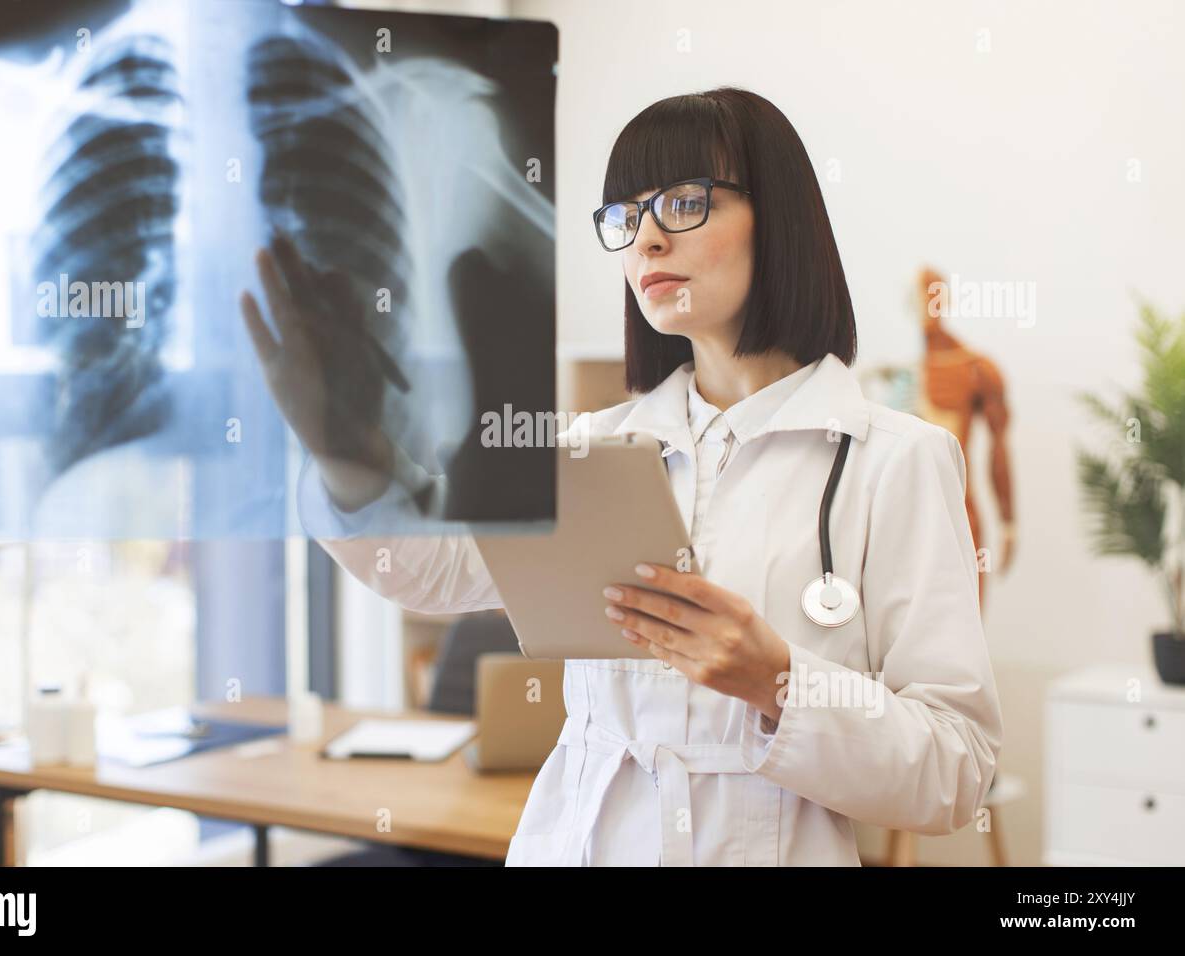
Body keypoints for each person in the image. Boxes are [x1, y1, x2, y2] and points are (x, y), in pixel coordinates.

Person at [240, 86, 1003, 867]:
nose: (646, 241)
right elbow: (435, 569)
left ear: (778, 219)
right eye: (626, 215)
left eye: (681, 202)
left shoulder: (895, 459)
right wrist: (343, 445)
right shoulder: (592, 447)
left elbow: (956, 768)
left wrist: (778, 683)